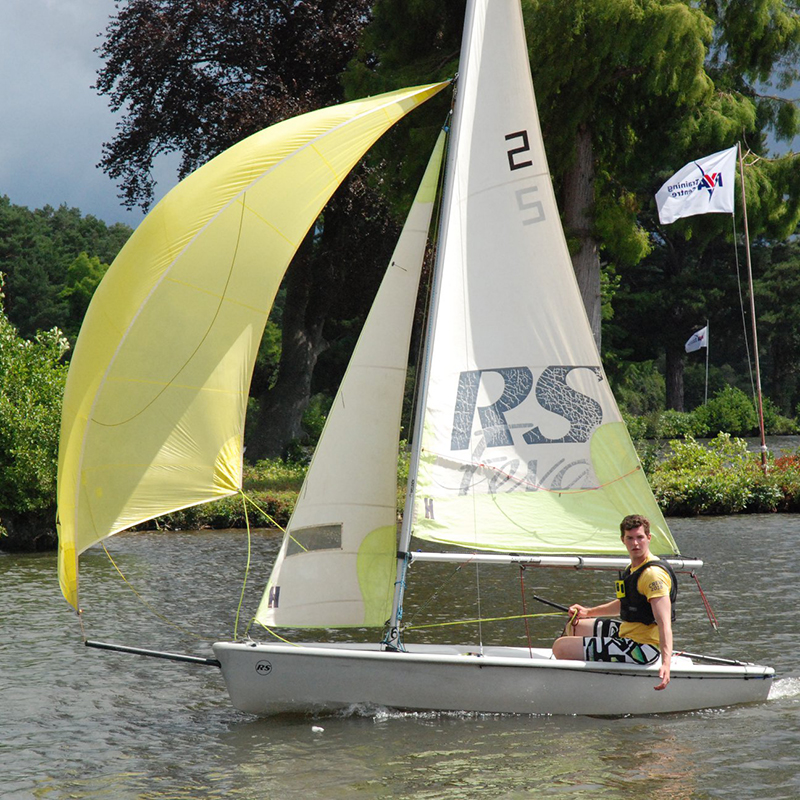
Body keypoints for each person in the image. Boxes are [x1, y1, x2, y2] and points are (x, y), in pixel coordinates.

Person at [551, 514, 677, 691]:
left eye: (640, 537)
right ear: (622, 540)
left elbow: (664, 623)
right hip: (629, 633)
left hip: (644, 649)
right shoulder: (632, 568)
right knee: (575, 625)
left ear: (649, 538)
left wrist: (666, 663)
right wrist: (588, 612)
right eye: (630, 538)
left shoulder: (652, 575)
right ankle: (592, 674)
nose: (635, 543)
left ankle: (589, 687)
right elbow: (624, 604)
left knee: (560, 647)